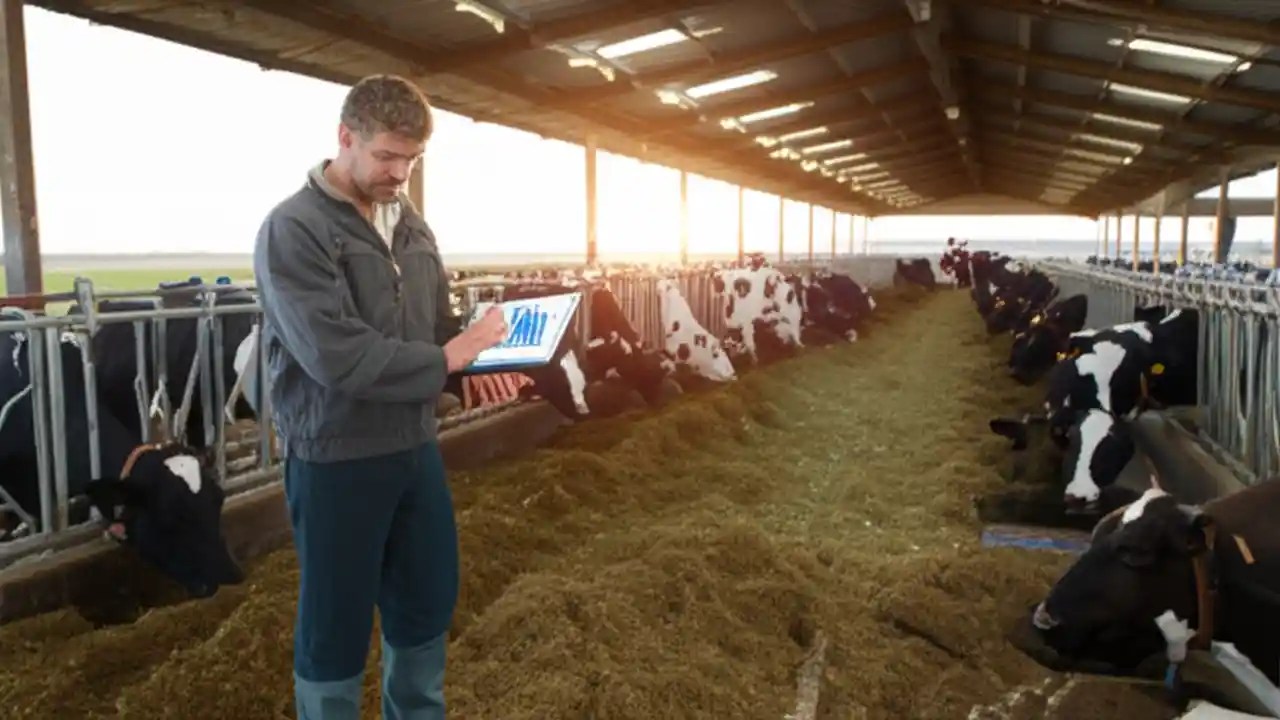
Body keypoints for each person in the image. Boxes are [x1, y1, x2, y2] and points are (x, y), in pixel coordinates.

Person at [252, 74, 507, 719]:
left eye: (412, 159)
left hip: (413, 444)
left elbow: (436, 326)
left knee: (426, 597)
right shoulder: (295, 229)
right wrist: (447, 358)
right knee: (335, 619)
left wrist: (493, 342)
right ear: (346, 138)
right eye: (388, 156)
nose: (400, 172)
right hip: (336, 453)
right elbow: (334, 353)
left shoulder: (411, 226)